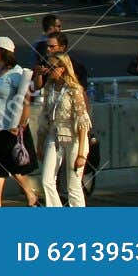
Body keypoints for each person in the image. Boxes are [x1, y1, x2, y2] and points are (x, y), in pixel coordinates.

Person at [0, 36, 37, 207]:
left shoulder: (17, 74)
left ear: (2, 52)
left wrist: (20, 124)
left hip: (10, 128)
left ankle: (30, 195)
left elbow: (26, 101)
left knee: (15, 168)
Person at [34, 54, 90, 207]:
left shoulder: (74, 89)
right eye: (47, 66)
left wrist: (80, 154)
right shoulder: (49, 87)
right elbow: (44, 117)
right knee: (47, 180)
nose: (48, 69)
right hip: (55, 135)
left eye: (52, 67)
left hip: (75, 138)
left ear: (62, 68)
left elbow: (82, 122)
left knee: (73, 185)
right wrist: (39, 144)